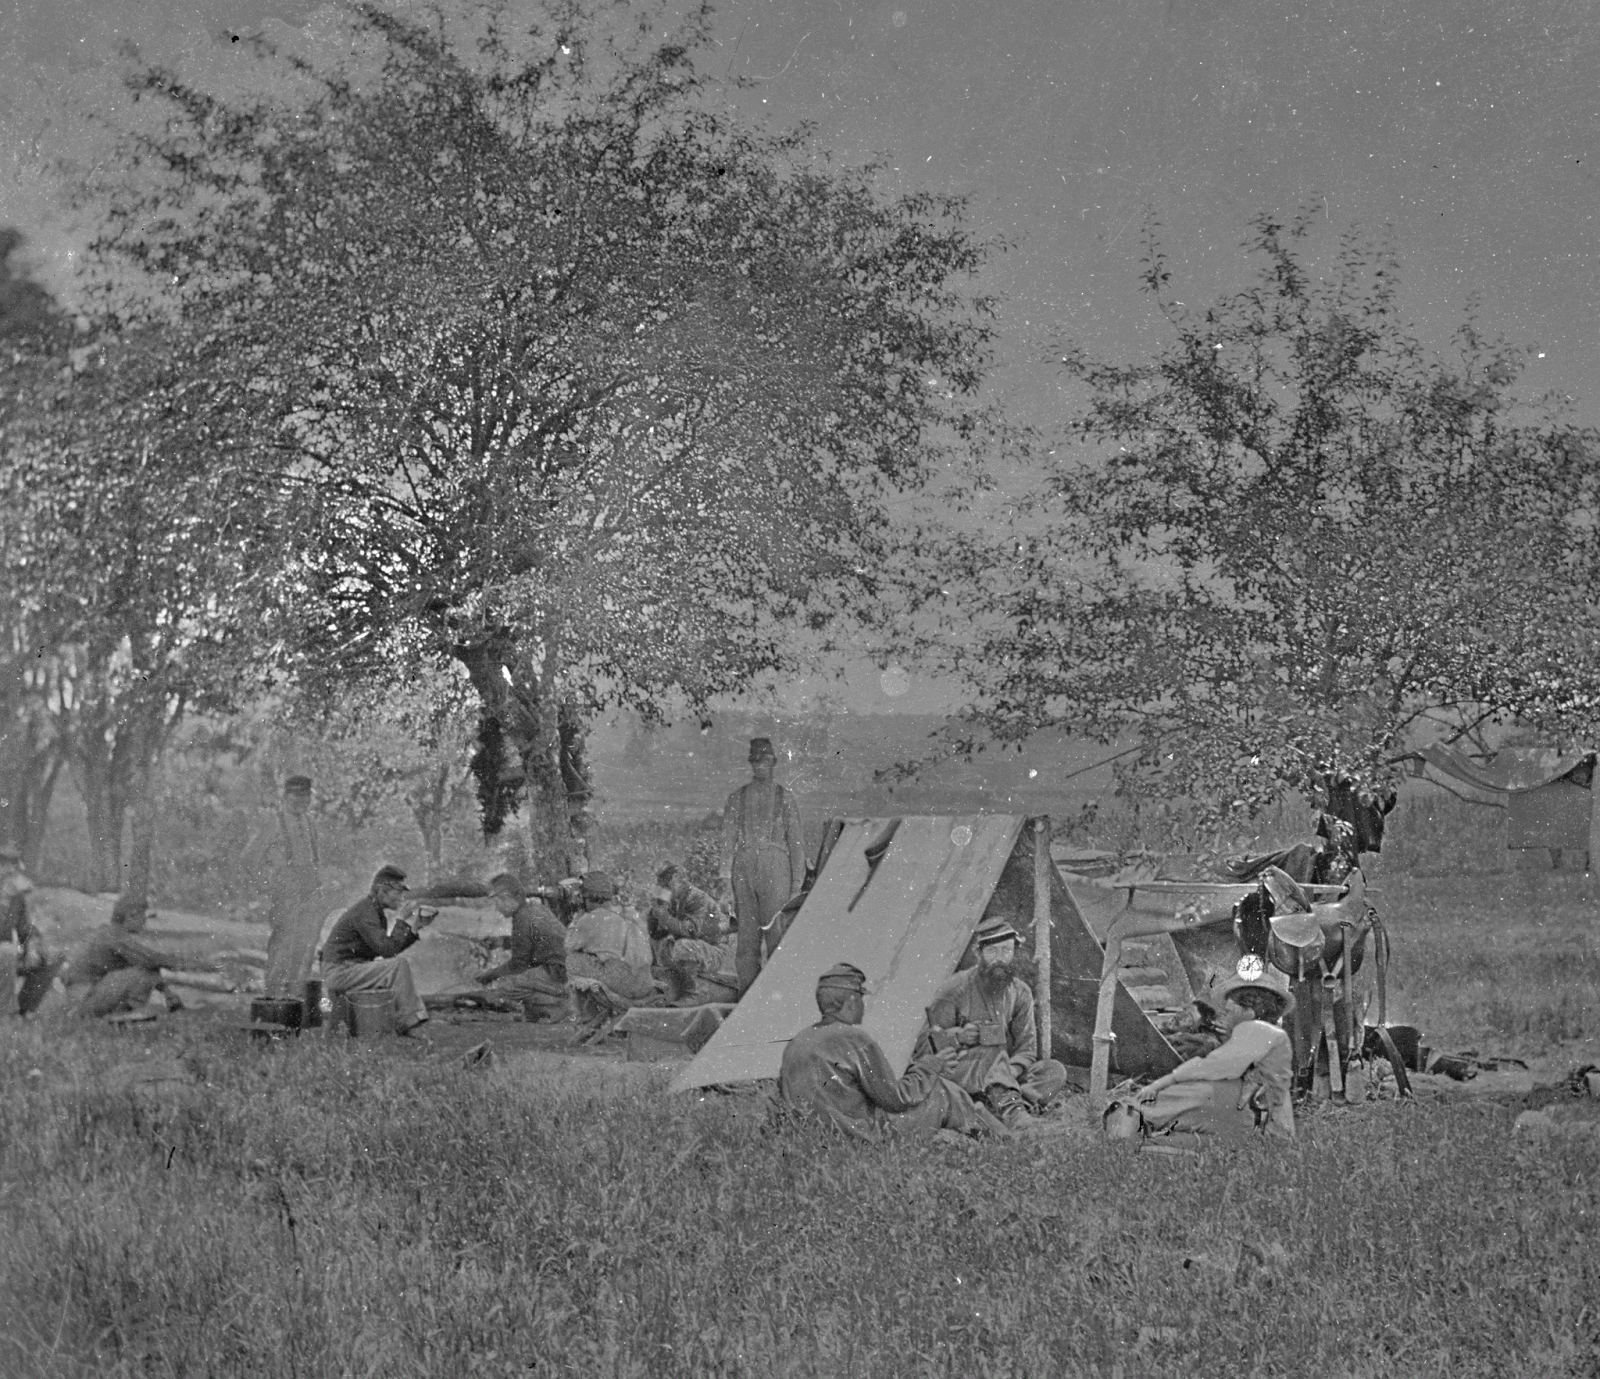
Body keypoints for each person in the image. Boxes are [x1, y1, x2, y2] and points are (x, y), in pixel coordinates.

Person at [779, 963, 1008, 1140]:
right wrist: (931, 1066)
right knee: (941, 1091)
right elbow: (896, 1100)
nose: (862, 1005)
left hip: (819, 1135)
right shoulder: (853, 1039)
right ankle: (1004, 1137)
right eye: (860, 997)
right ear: (850, 1001)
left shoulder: (798, 1041)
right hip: (861, 1135)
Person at [1115, 957, 1296, 1143]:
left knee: (1125, 1113)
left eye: (1229, 1013)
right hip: (1246, 1127)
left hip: (1226, 1105)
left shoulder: (1220, 1076)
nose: (1223, 1019)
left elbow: (1129, 1114)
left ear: (1248, 1014)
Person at [914, 918, 1069, 1130]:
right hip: (960, 1073)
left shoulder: (1020, 992)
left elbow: (1027, 1049)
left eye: (1006, 951)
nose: (1000, 959)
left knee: (1054, 1071)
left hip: (1000, 1076)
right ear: (978, 954)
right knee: (990, 1053)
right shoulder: (955, 988)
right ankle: (1013, 1114)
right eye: (992, 952)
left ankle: (1000, 1107)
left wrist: (1009, 1073)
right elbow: (923, 1045)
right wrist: (958, 1036)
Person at [720, 737, 807, 996]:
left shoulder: (785, 798)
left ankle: (778, 997)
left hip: (777, 866)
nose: (760, 765)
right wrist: (725, 880)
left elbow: (796, 843)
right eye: (755, 760)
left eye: (765, 760)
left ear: (774, 763)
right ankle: (746, 998)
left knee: (776, 936)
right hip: (744, 867)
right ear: (750, 763)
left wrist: (796, 885)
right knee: (747, 940)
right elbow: (727, 840)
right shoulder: (737, 797)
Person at [321, 865, 436, 1040]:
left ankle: (403, 1023)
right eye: (398, 892)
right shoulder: (365, 913)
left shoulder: (372, 910)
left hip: (349, 969)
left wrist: (415, 928)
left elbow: (388, 947)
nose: (401, 898)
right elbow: (387, 950)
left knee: (395, 967)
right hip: (339, 972)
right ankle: (410, 1023)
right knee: (398, 965)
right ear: (382, 892)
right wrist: (401, 920)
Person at [67, 895, 200, 1018]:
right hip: (86, 1000)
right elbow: (152, 960)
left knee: (143, 966)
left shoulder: (108, 932)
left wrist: (167, 992)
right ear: (131, 916)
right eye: (143, 916)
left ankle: (169, 1004)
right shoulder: (115, 936)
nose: (144, 922)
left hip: (85, 997)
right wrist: (203, 966)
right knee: (144, 969)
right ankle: (132, 1013)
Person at [258, 775, 326, 1000]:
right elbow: (249, 858)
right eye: (295, 795)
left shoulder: (310, 822)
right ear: (285, 796)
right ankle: (271, 998)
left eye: (305, 795)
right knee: (282, 946)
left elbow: (314, 858)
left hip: (309, 890)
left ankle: (295, 999)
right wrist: (267, 884)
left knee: (306, 945)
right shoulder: (274, 822)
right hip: (286, 892)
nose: (301, 800)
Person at [472, 872, 569, 1020]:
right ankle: (543, 1009)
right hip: (566, 968)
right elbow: (531, 943)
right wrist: (502, 942)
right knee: (522, 981)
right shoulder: (534, 908)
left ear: (507, 898)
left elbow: (518, 965)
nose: (497, 907)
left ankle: (557, 1006)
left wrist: (489, 975)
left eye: (497, 901)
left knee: (505, 986)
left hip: (558, 974)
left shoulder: (522, 918)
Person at [564, 871, 656, 1026]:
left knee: (573, 959)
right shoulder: (630, 914)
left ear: (589, 897)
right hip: (644, 983)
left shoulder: (590, 918)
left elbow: (568, 945)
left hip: (621, 984)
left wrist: (575, 920)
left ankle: (587, 1017)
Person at [648, 863, 733, 1006]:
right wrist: (654, 913)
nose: (662, 887)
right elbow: (656, 935)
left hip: (715, 951)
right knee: (663, 947)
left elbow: (690, 931)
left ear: (677, 879)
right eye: (660, 883)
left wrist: (664, 917)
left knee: (684, 946)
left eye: (666, 882)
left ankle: (694, 993)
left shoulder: (697, 898)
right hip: (695, 952)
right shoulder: (672, 899)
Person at [2, 842, 59, 1017]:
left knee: (51, 956)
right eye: (3, 865)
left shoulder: (16, 896)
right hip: (4, 951)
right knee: (5, 952)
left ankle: (24, 1009)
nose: (10, 871)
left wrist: (32, 947)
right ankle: (4, 1013)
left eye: (12, 865)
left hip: (8, 949)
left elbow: (26, 927)